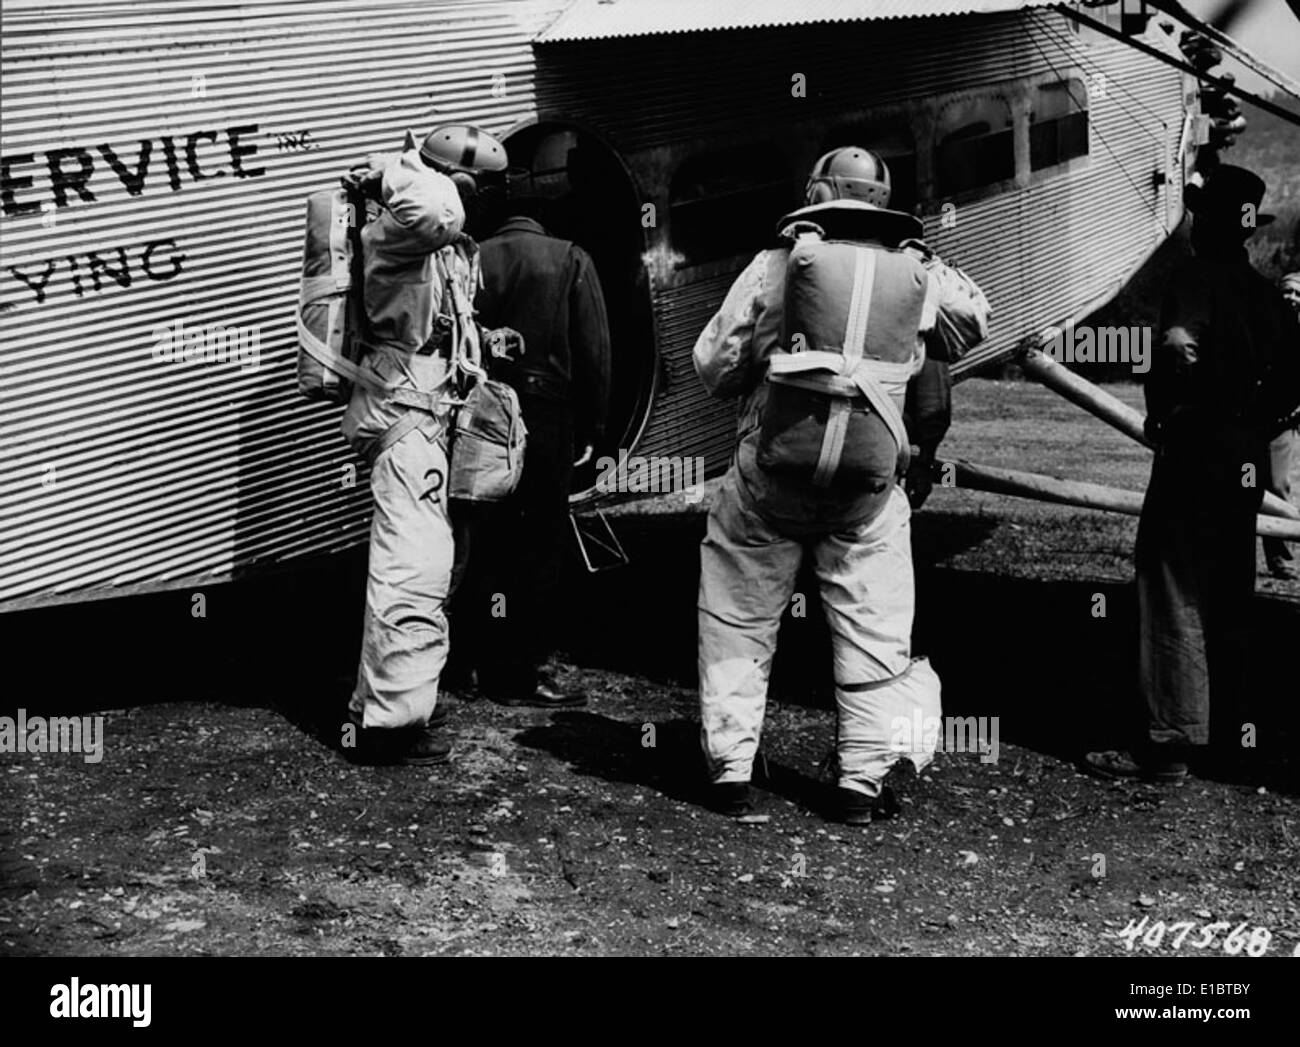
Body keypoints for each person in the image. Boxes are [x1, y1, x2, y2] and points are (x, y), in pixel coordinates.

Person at [693, 147, 989, 823]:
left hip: (770, 476)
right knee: (874, 626)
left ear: (817, 193)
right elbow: (973, 323)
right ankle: (860, 782)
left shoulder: (778, 262)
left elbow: (714, 366)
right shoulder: (917, 268)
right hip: (867, 487)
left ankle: (729, 771)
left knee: (738, 615)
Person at [1085, 166, 1300, 783]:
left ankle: (1172, 743)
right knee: (1229, 585)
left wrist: (1180, 405)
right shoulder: (1265, 295)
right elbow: (1293, 376)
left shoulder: (1194, 278)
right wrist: (1255, 415)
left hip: (1197, 446)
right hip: (1245, 454)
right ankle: (1229, 734)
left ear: (1208, 223)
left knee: (1171, 584)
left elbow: (1178, 345)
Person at [340, 125, 506, 766]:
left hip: (422, 411)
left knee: (416, 561)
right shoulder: (406, 228)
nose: (475, 201)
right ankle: (389, 728)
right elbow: (437, 210)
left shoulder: (432, 247)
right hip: (404, 413)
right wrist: (399, 168)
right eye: (474, 187)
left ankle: (376, 705)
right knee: (414, 566)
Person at [455, 174, 612, 708]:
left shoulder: (471, 257)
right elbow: (594, 350)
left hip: (482, 410)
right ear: (546, 215)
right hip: (546, 415)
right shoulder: (570, 257)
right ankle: (519, 673)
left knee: (481, 535)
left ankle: (468, 661)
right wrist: (593, 425)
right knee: (540, 541)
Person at [1263, 272, 1300, 580]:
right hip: (1250, 422)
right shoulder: (1262, 323)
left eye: (1298, 294)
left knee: (1276, 487)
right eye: (1287, 291)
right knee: (1242, 484)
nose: (1291, 297)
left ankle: (1280, 557)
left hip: (1283, 424)